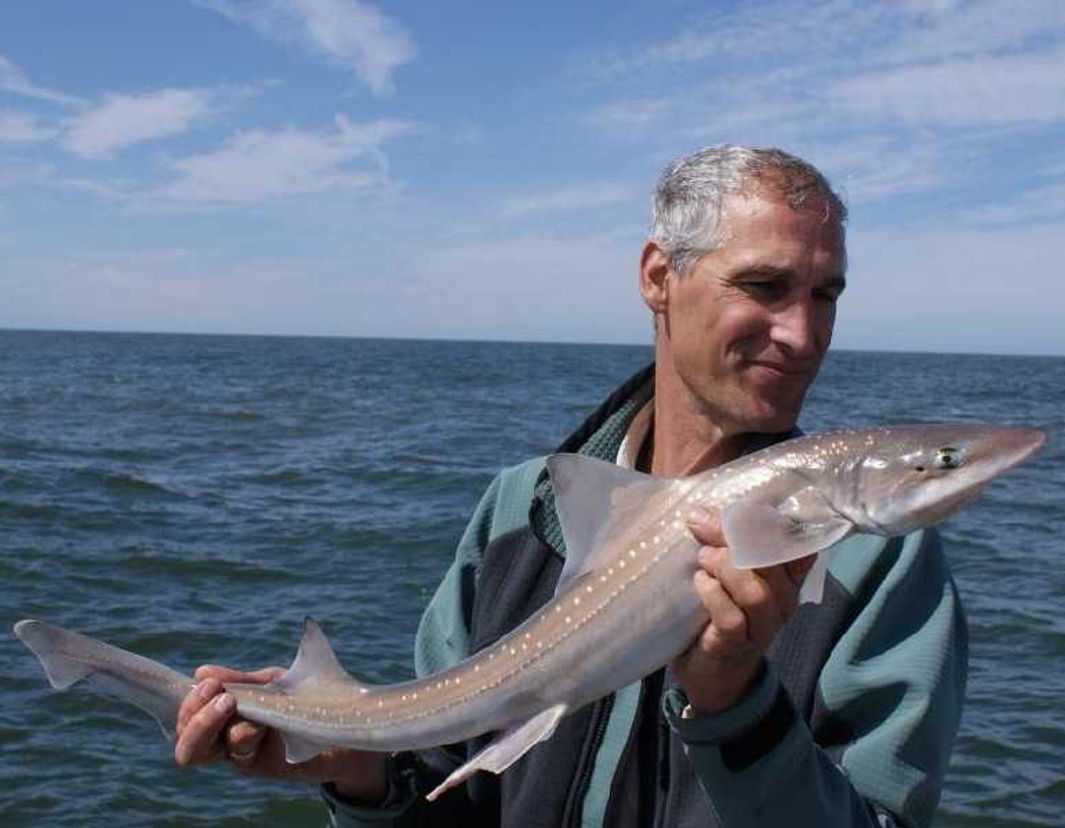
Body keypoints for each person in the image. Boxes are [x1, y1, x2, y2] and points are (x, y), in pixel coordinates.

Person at [174, 146, 967, 827]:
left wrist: (735, 707)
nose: (802, 333)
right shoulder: (525, 510)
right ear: (659, 276)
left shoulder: (878, 561)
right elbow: (443, 796)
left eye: (825, 295)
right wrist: (358, 772)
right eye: (763, 286)